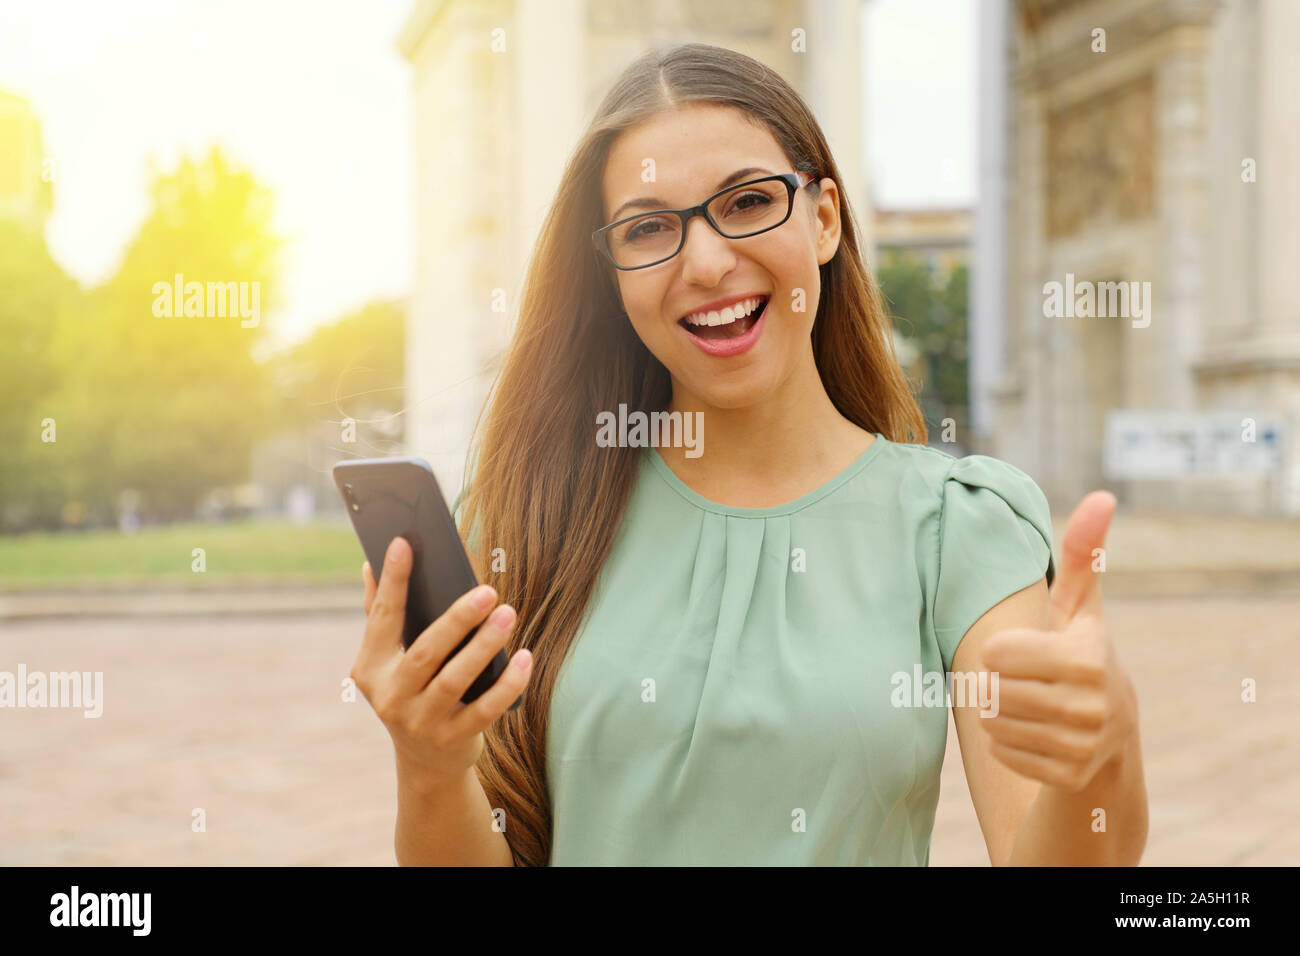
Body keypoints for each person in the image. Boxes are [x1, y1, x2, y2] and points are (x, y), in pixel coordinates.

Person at [349, 43, 1148, 867]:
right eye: (649, 226)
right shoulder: (524, 515)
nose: (706, 263)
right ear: (612, 271)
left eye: (747, 201)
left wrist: (1103, 757)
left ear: (826, 217)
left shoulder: (959, 524)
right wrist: (432, 769)